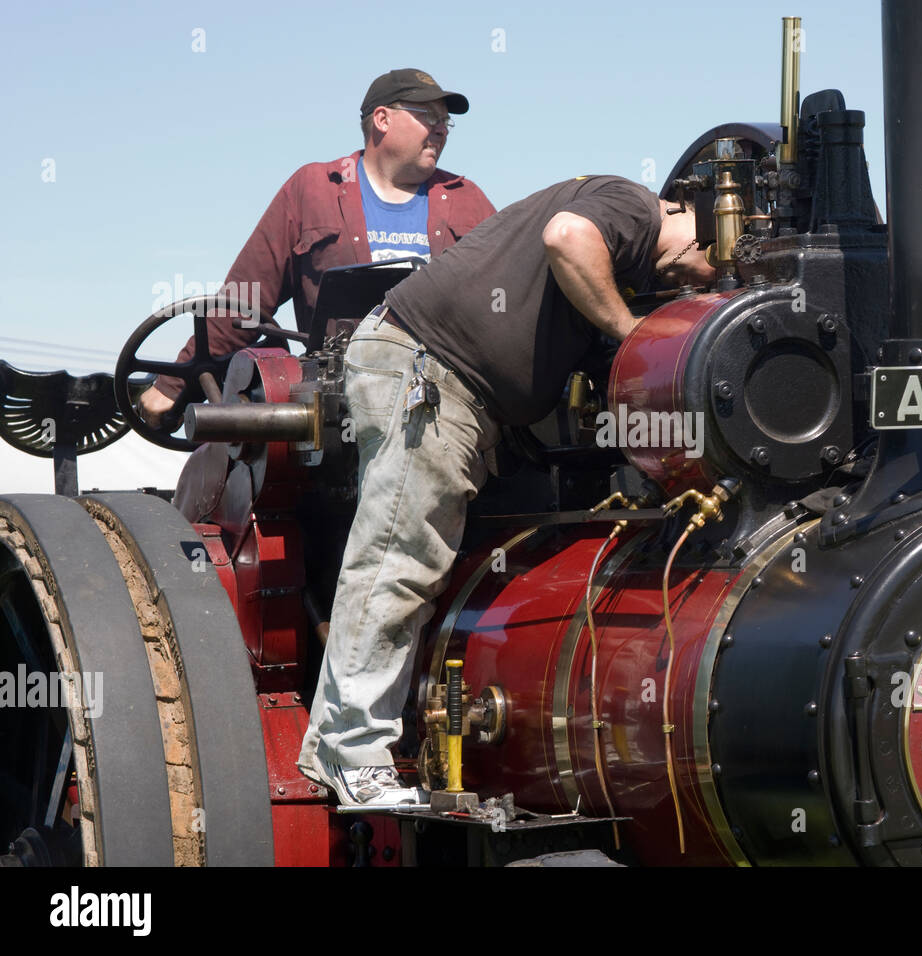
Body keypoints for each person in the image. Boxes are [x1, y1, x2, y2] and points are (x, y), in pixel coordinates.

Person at [297, 175, 716, 806]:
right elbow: (567, 238)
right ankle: (348, 749)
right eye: (707, 266)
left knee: (410, 560)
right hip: (428, 370)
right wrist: (634, 332)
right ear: (694, 220)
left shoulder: (624, 243)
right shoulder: (632, 208)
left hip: (453, 385)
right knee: (397, 559)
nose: (698, 282)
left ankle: (358, 739)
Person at [139, 68, 495, 424]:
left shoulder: (468, 200)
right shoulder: (312, 189)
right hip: (338, 407)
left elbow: (502, 303)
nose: (440, 129)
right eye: (428, 116)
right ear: (382, 119)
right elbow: (245, 299)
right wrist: (172, 385)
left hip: (444, 398)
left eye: (445, 121)